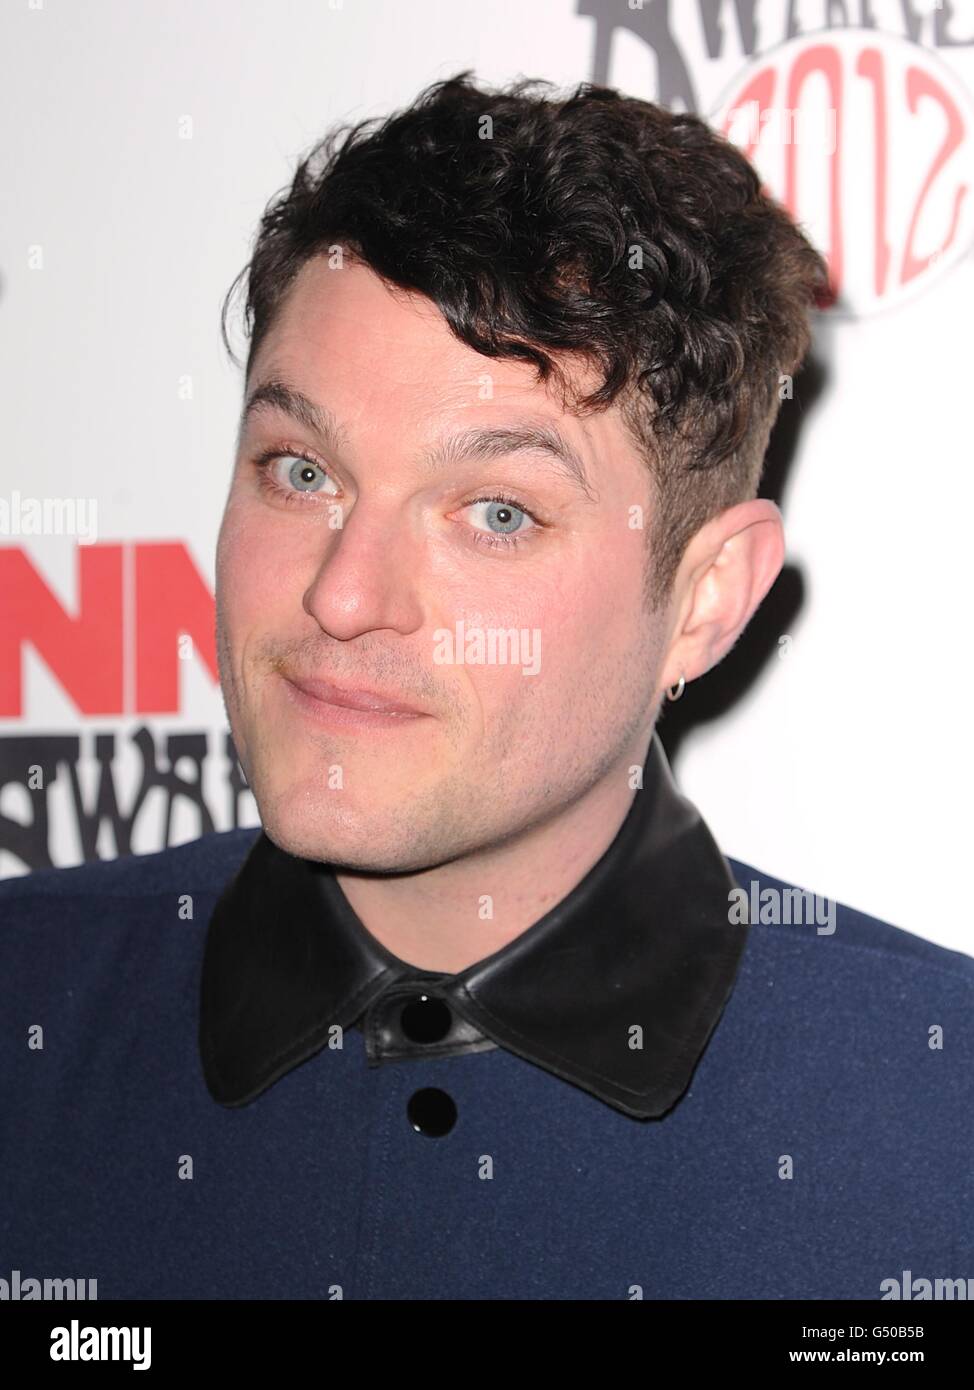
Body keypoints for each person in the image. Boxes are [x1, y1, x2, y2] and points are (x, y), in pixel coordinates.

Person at [2, 71, 971, 1302]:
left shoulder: (937, 1129)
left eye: (496, 512)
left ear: (707, 599)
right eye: (300, 471)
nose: (343, 595)